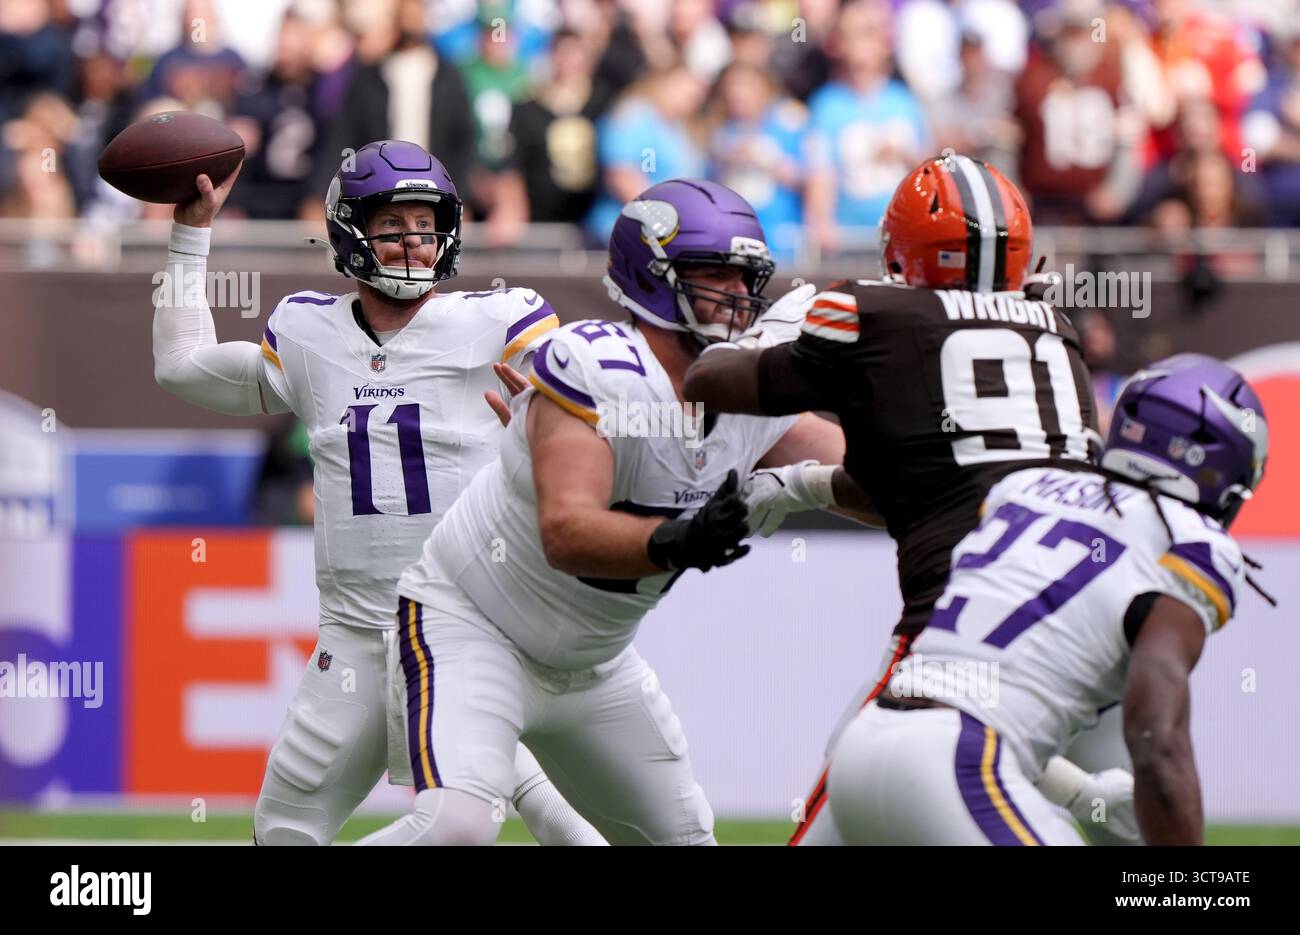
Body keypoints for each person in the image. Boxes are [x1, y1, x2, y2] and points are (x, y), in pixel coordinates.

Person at [359, 179, 862, 846]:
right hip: (473, 629)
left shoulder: (749, 389)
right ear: (651, 276)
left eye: (746, 277)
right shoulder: (597, 364)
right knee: (456, 826)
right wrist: (677, 538)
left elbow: (876, 483)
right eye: (713, 272)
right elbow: (567, 530)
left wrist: (938, 449)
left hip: (595, 663)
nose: (736, 294)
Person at [151, 139, 602, 845]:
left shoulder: (498, 322)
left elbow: (609, 398)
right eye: (391, 225)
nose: (412, 243)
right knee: (284, 832)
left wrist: (558, 429)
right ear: (349, 231)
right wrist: (190, 234)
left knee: (547, 817)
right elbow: (180, 366)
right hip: (356, 639)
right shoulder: (307, 330)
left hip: (470, 633)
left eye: (424, 225)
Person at [684, 153, 1132, 845]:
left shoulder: (868, 312)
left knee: (885, 759)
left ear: (900, 248)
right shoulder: (1056, 329)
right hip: (1094, 613)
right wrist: (803, 482)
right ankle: (1088, 795)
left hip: (961, 620)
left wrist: (776, 328)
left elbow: (710, 381)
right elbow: (940, 479)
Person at [828, 354, 1269, 845]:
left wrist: (1078, 791)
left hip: (864, 747)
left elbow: (984, 692)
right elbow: (1156, 741)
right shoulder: (1190, 543)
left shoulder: (1023, 487)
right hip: (954, 767)